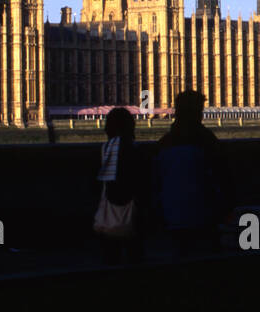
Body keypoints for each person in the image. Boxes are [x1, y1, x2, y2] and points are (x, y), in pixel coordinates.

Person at [153, 90, 225, 260]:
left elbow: (155, 184)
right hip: (203, 217)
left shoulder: (164, 143)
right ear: (196, 113)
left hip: (172, 217)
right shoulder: (207, 141)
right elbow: (222, 177)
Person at [94, 106, 148, 264]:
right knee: (135, 256)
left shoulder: (106, 148)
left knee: (111, 257)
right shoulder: (134, 148)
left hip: (111, 213)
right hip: (132, 211)